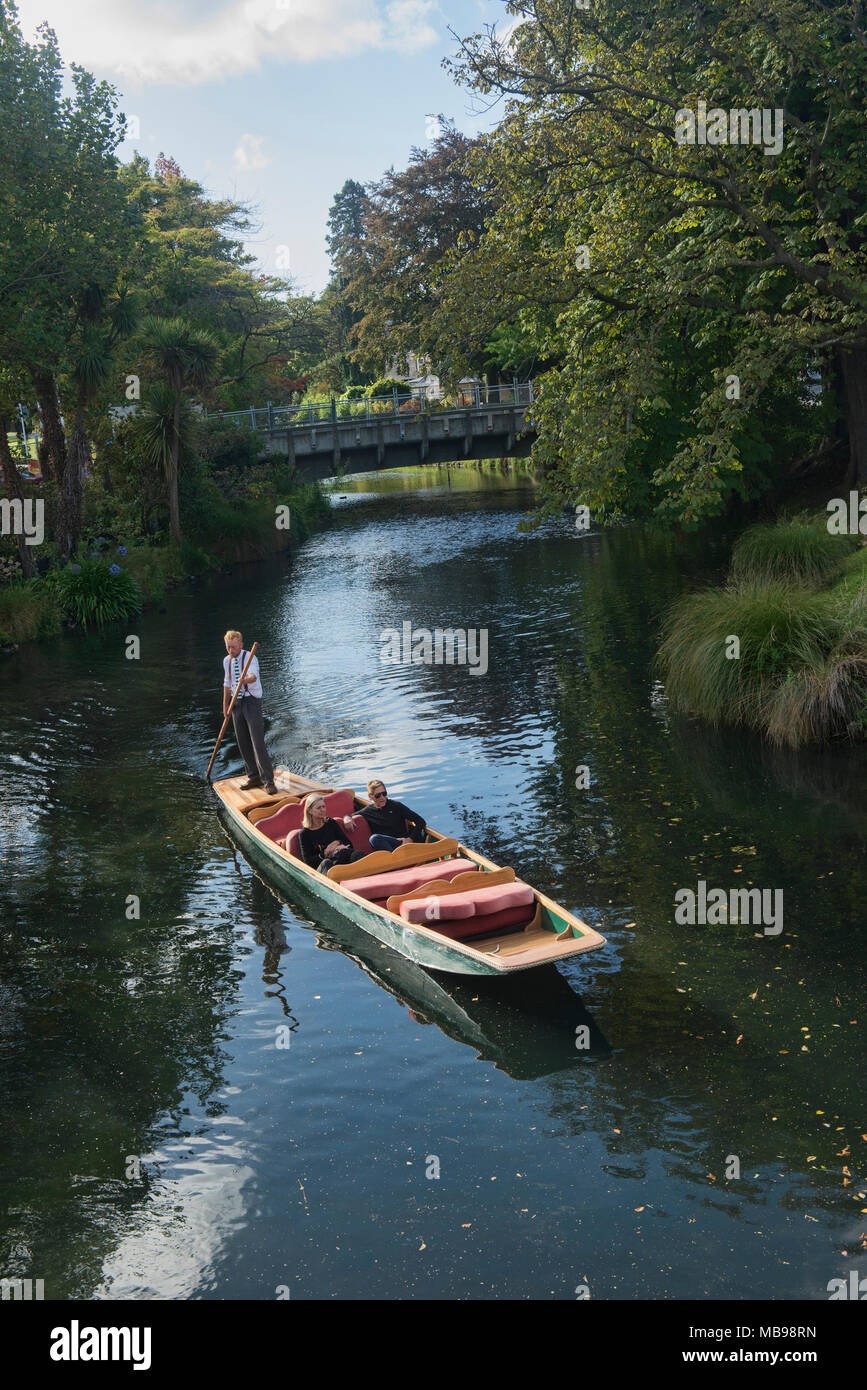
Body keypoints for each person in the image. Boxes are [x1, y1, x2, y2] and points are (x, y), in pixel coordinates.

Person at [222, 630, 277, 794]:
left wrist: (246, 679)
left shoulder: (250, 657)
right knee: (243, 741)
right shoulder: (227, 661)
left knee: (257, 742)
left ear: (241, 645)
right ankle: (253, 776)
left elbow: (253, 675)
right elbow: (226, 683)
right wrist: (225, 705)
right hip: (235, 702)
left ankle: (268, 781)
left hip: (251, 701)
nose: (231, 651)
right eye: (228, 647)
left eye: (233, 647)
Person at [344, 778, 427, 852]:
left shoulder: (396, 806)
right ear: (370, 796)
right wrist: (347, 818)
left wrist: (410, 839)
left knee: (374, 838)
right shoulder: (368, 811)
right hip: (384, 848)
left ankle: (396, 863)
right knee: (375, 840)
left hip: (401, 844)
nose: (382, 797)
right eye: (378, 795)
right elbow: (349, 815)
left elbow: (420, 821)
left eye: (384, 793)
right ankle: (396, 863)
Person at [299, 794, 366, 875]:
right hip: (322, 869)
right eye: (318, 808)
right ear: (309, 811)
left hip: (339, 859)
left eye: (323, 807)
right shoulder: (304, 833)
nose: (322, 810)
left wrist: (338, 844)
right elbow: (309, 862)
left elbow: (349, 844)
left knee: (357, 854)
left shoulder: (330, 823)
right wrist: (325, 852)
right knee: (326, 863)